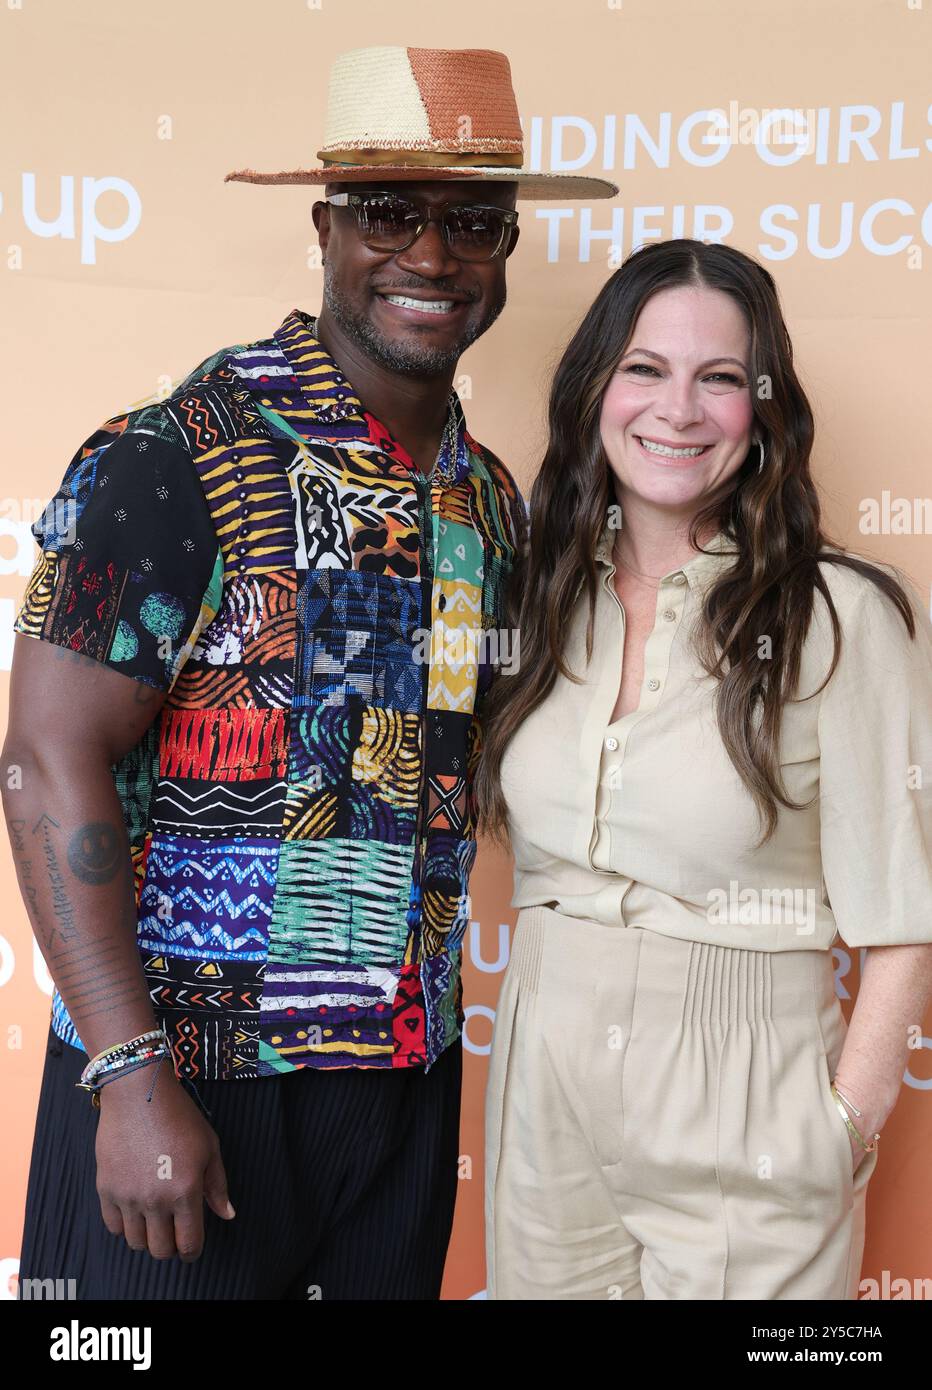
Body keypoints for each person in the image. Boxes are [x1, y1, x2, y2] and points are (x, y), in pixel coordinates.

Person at [3, 44, 616, 1301]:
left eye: (470, 225)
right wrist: (127, 1072)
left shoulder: (484, 494)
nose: (431, 258)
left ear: (504, 248)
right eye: (389, 215)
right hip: (189, 1082)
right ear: (325, 227)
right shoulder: (176, 453)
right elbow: (44, 751)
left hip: (398, 1083)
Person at [476, 237, 932, 1300]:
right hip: (544, 1089)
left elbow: (899, 923)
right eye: (644, 368)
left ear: (760, 408)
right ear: (594, 386)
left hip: (752, 1096)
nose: (676, 409)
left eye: (718, 378)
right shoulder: (536, 598)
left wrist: (840, 1130)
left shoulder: (837, 618)